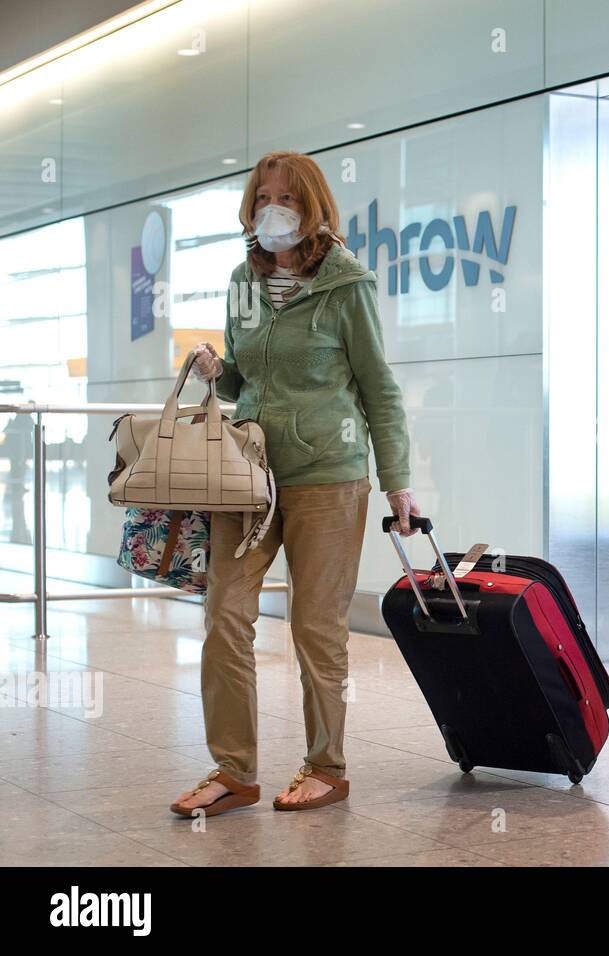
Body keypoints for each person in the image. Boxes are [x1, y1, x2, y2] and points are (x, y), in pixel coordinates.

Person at [169, 151, 418, 817]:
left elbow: (379, 391)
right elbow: (245, 379)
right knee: (225, 614)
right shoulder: (240, 281)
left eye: (285, 197)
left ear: (311, 207)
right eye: (261, 198)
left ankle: (328, 767)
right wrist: (213, 370)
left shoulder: (348, 283)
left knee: (315, 626)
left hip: (327, 479)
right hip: (246, 476)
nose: (271, 209)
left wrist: (398, 484)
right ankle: (234, 770)